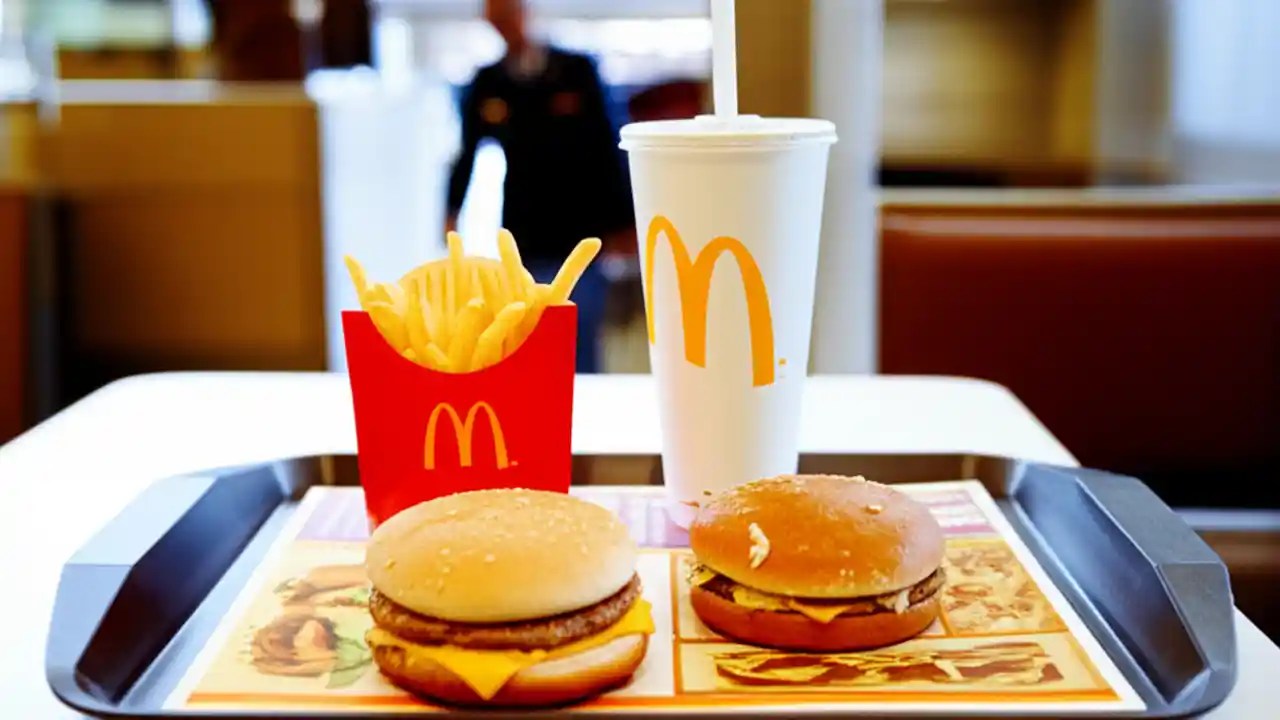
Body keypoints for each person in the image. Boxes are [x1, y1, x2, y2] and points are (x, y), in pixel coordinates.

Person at [447, 0, 633, 373]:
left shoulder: (576, 71)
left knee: (579, 329)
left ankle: (584, 408)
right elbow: (467, 154)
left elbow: (608, 148)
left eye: (508, 15)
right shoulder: (489, 83)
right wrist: (451, 212)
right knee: (532, 333)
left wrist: (625, 221)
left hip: (579, 229)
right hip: (525, 230)